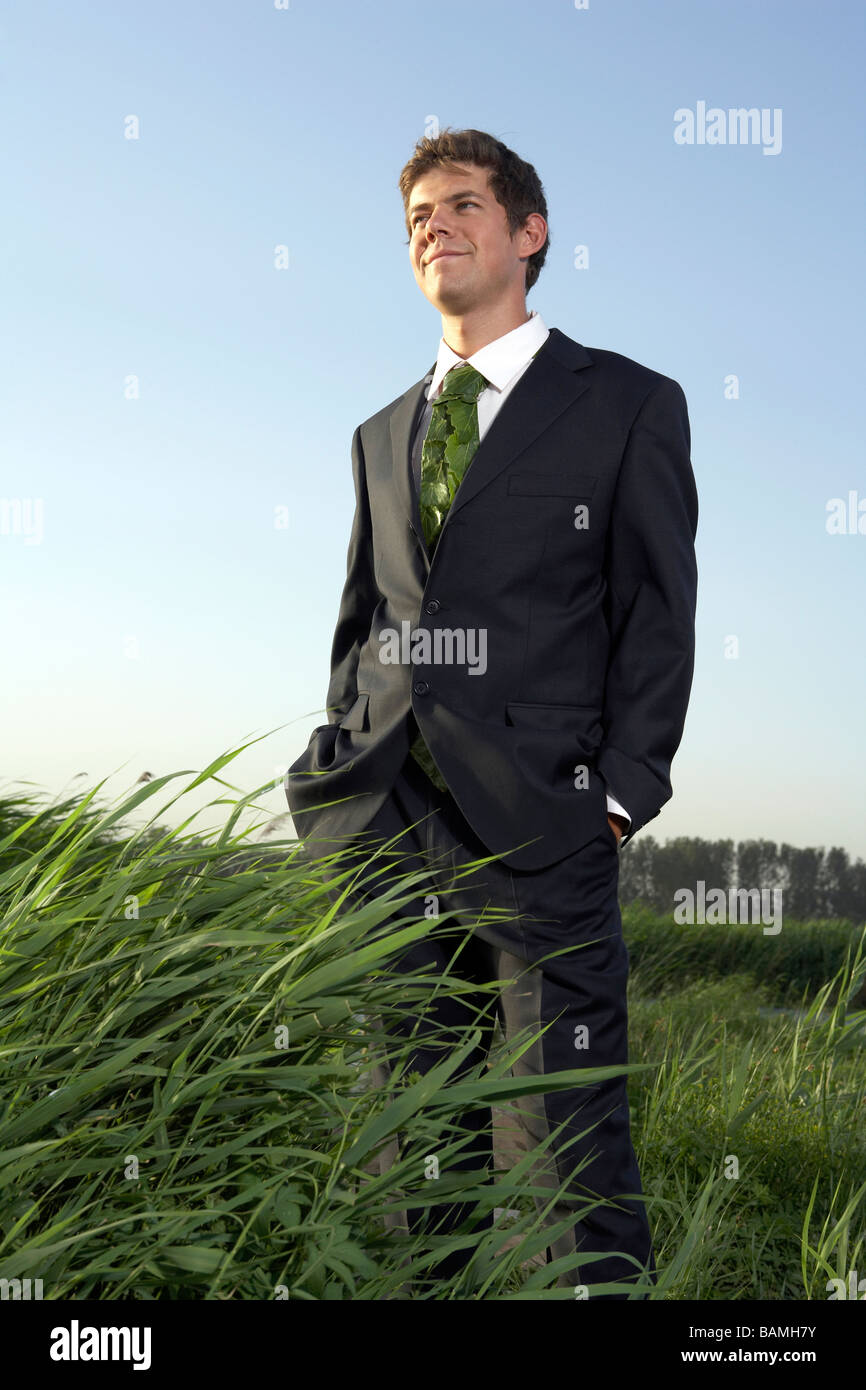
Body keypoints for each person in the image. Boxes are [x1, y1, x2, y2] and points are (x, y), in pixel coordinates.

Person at [285, 127, 698, 1298]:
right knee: (416, 1132)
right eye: (417, 216)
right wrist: (329, 774)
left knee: (564, 1138)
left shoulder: (625, 402)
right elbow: (364, 622)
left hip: (543, 826)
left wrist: (617, 797)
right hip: (381, 825)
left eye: (461, 204)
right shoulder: (379, 434)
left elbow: (656, 613)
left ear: (529, 232)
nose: (434, 226)